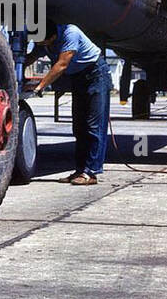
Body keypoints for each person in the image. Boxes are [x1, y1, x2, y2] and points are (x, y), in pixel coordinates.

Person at [32, 19, 111, 185]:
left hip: (96, 75)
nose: (41, 45)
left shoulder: (71, 33)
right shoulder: (45, 39)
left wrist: (40, 86)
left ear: (52, 37)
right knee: (79, 127)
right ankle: (80, 170)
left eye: (43, 42)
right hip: (79, 78)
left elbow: (61, 64)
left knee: (93, 126)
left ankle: (91, 173)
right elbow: (31, 56)